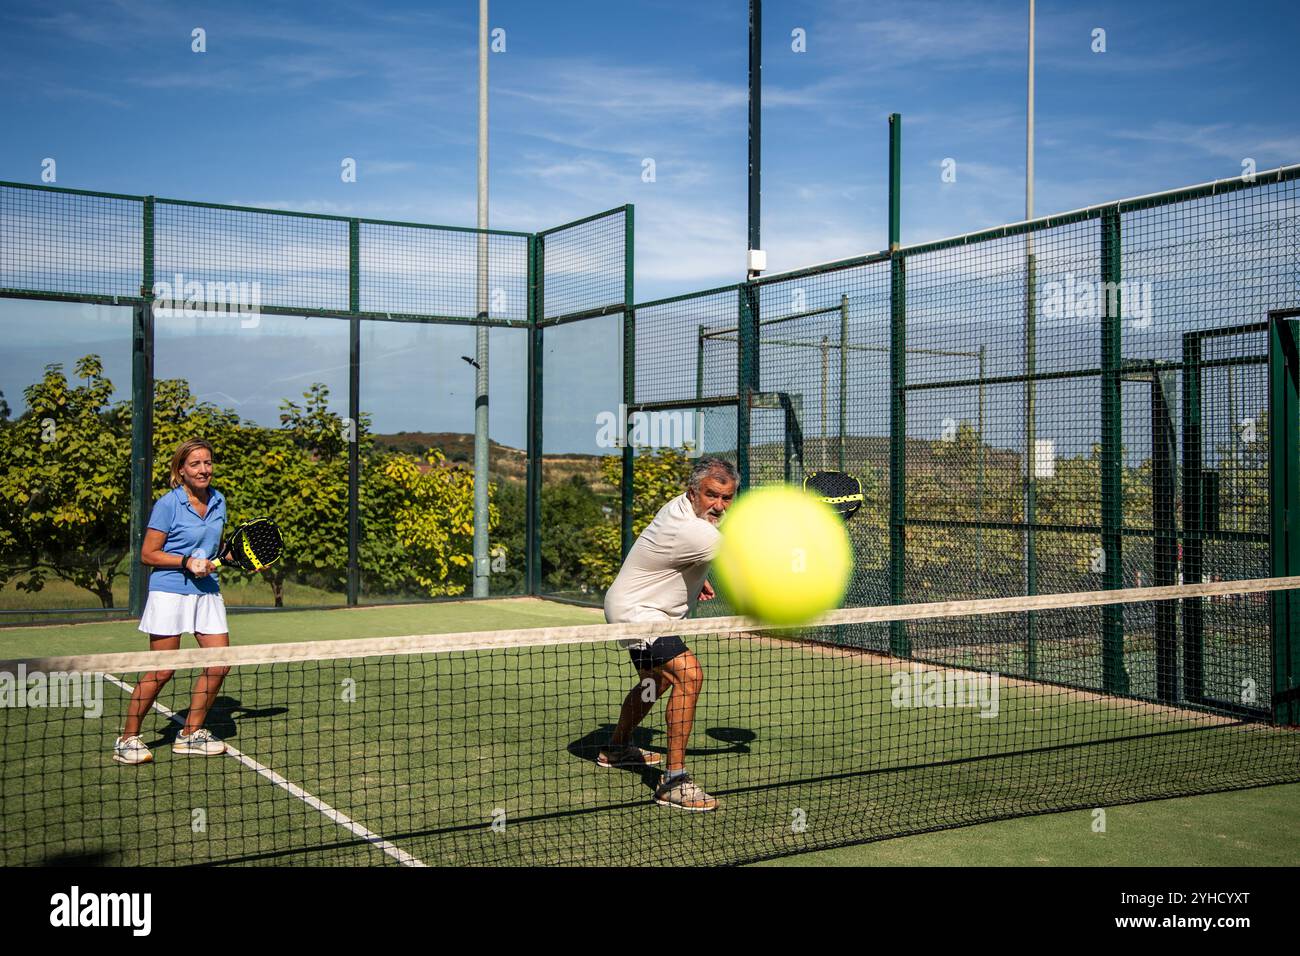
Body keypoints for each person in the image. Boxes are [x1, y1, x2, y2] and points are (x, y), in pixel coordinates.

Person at [600, 456, 738, 811]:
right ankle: (673, 780)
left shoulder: (682, 511)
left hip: (633, 604)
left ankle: (616, 748)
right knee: (689, 676)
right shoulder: (695, 531)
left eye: (727, 498)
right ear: (692, 492)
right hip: (641, 612)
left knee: (654, 682)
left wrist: (698, 574)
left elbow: (676, 553)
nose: (719, 506)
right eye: (711, 495)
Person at [113, 438, 233, 765]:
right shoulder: (168, 504)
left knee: (220, 663)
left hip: (207, 591)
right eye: (195, 464)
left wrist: (233, 557)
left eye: (207, 463)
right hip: (169, 592)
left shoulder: (219, 500)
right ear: (181, 470)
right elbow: (147, 554)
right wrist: (184, 562)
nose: (203, 469)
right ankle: (127, 739)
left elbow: (216, 551)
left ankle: (190, 734)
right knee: (162, 669)